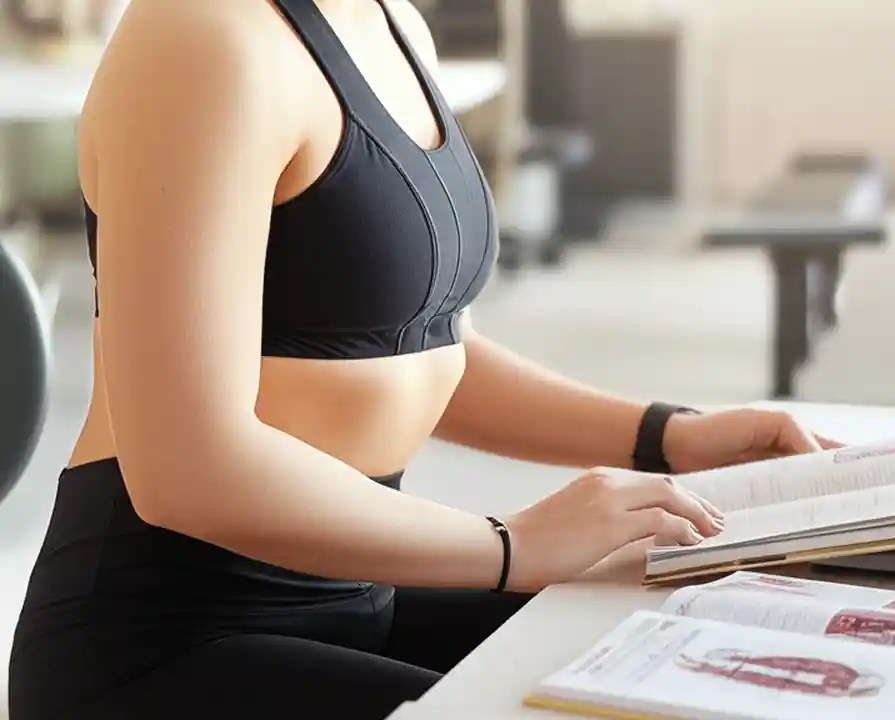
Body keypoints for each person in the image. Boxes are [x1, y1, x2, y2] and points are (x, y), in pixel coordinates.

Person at [6, 1, 836, 718]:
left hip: (357, 591)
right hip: (170, 641)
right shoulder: (204, 39)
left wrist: (666, 434)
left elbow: (421, 347)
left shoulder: (386, 19)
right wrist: (511, 545)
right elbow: (188, 467)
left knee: (703, 644)